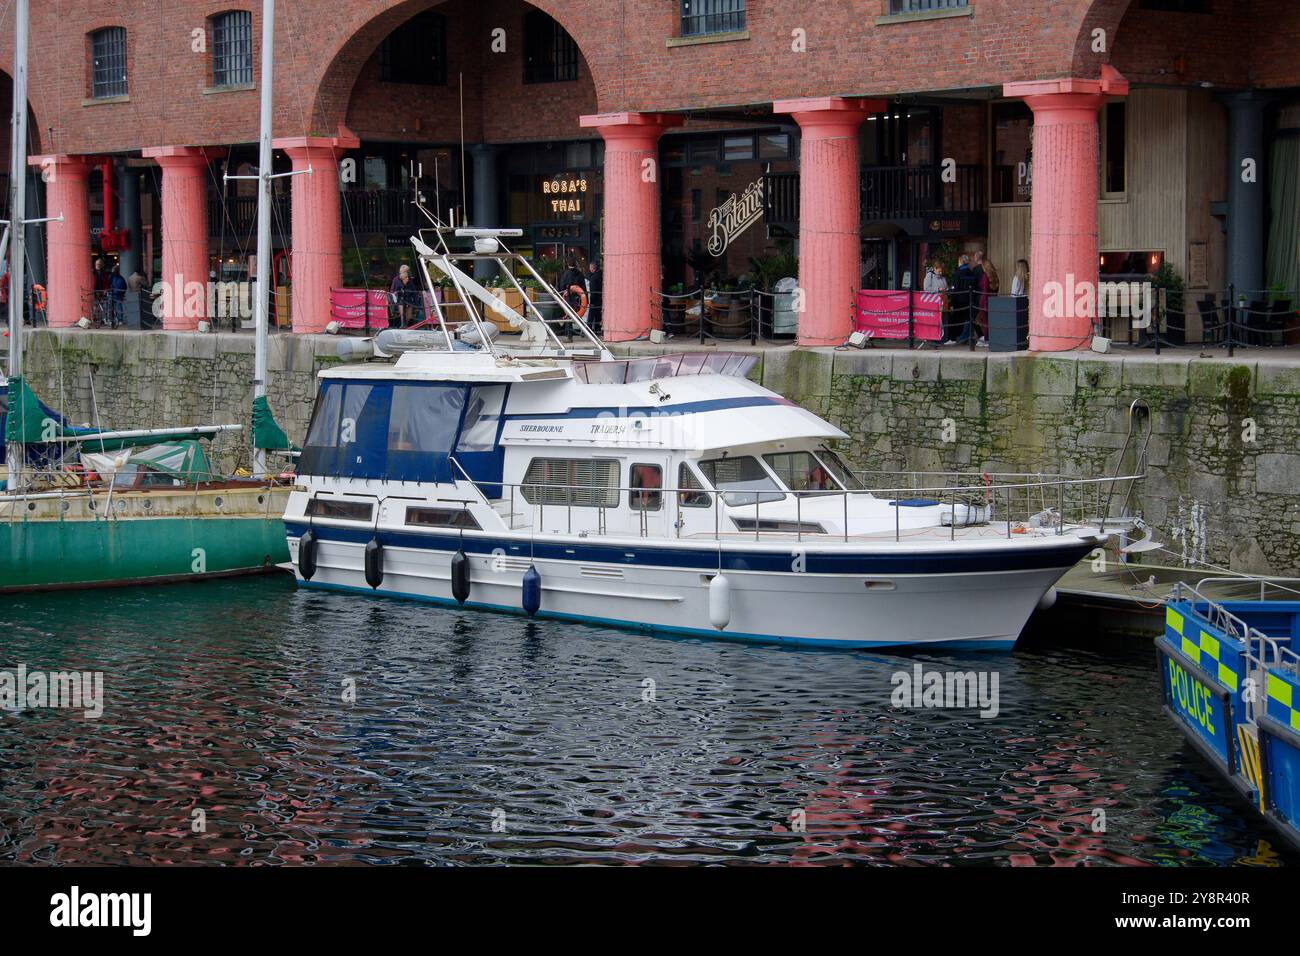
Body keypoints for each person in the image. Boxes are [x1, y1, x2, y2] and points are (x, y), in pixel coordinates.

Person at [945, 254, 977, 345]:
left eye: (958, 261)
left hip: (959, 300)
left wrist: (952, 302)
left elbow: (956, 289)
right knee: (967, 319)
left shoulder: (957, 273)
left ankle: (955, 338)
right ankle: (965, 338)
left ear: (961, 262)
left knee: (957, 320)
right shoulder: (971, 272)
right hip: (969, 299)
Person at [972, 251, 990, 347]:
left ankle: (983, 336)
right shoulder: (989, 271)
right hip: (987, 297)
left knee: (977, 318)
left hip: (980, 297)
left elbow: (980, 286)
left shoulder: (977, 270)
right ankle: (984, 337)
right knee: (984, 319)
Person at [586, 258, 603, 333]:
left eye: (590, 268)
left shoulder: (593, 278)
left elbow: (593, 291)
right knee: (597, 315)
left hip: (594, 299)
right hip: (600, 299)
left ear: (592, 268)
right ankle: (597, 329)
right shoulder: (601, 275)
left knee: (591, 316)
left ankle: (588, 330)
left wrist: (591, 301)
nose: (589, 269)